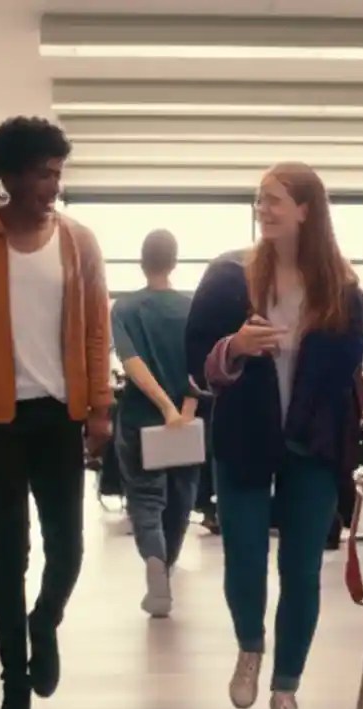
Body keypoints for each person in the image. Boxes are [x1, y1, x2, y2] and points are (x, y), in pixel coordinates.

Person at [0, 116, 112, 709]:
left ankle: (46, 619)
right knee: (9, 551)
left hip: (60, 415)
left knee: (68, 547)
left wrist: (99, 409)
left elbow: (96, 330)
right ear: (8, 174)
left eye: (58, 174)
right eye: (42, 173)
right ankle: (14, 685)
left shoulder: (78, 241)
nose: (53, 185)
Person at [186, 162, 363, 709]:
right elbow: (193, 366)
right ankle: (249, 648)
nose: (263, 208)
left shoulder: (342, 287)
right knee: (242, 556)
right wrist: (234, 348)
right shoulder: (228, 276)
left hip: (311, 445)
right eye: (260, 199)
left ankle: (286, 683)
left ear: (307, 210)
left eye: (275, 200)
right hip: (242, 439)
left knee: (302, 567)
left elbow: (347, 371)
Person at [110, 229, 201, 618]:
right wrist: (185, 407)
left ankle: (154, 565)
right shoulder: (193, 307)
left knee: (146, 499)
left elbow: (131, 362)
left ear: (142, 262)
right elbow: (203, 363)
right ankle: (167, 567)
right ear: (174, 262)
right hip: (188, 418)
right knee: (181, 497)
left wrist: (162, 407)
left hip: (139, 418)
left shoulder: (125, 309)